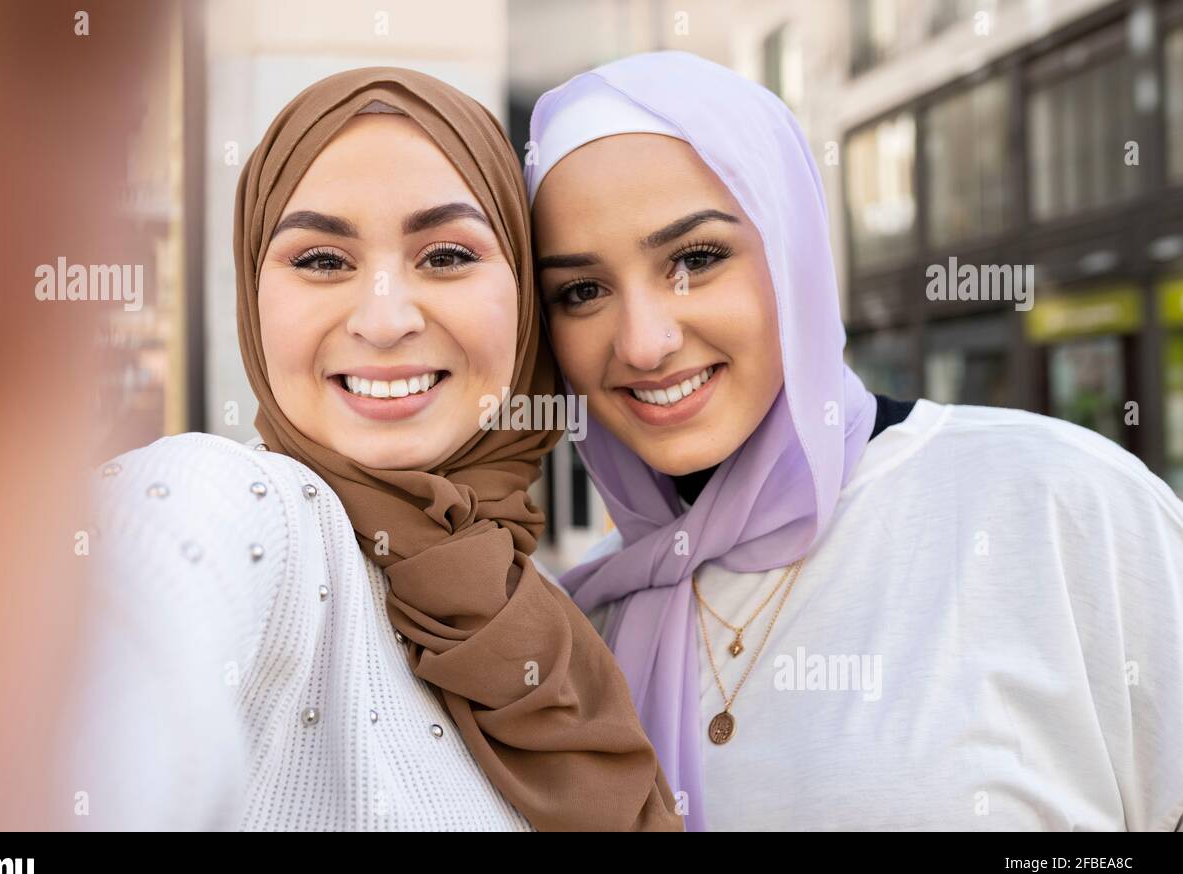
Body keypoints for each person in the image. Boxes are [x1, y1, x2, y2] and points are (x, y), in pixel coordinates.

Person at [525, 50, 1183, 832]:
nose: (642, 342)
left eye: (694, 260)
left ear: (792, 250)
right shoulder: (574, 623)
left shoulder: (1056, 504)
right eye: (582, 290)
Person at [68, 67, 682, 832]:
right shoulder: (247, 513)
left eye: (448, 256)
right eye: (322, 259)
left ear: (524, 296)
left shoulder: (551, 610)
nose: (385, 319)